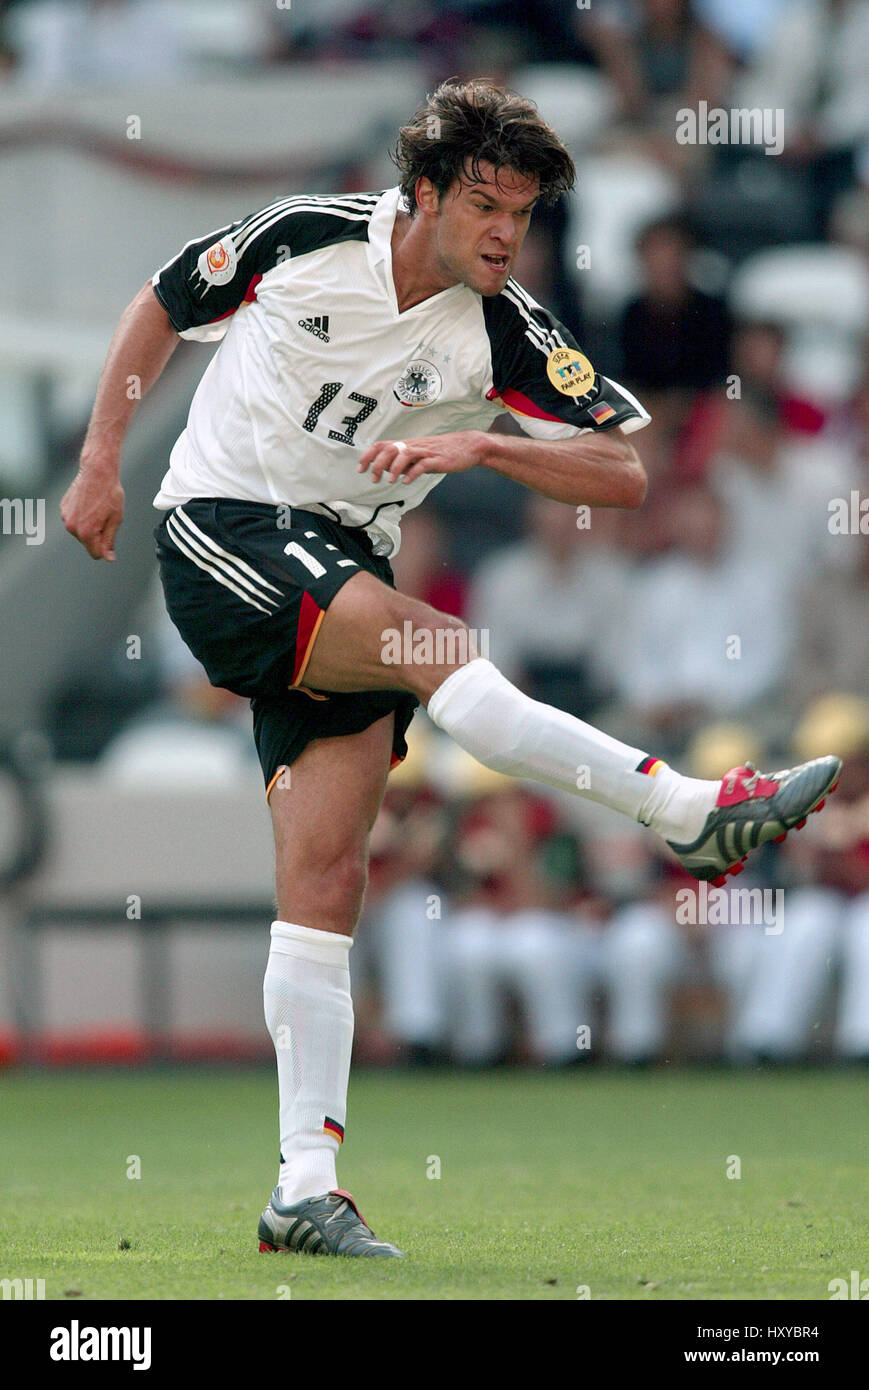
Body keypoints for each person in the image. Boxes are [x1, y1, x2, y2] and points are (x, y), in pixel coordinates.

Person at [61, 78, 841, 1260]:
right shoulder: (307, 235)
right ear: (421, 194)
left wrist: (484, 441)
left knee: (325, 886)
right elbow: (161, 306)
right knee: (446, 647)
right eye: (482, 204)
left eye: (519, 215)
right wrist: (102, 462)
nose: (500, 233)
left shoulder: (501, 330)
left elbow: (623, 472)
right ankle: (676, 807)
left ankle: (302, 1189)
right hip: (226, 528)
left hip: (341, 571)